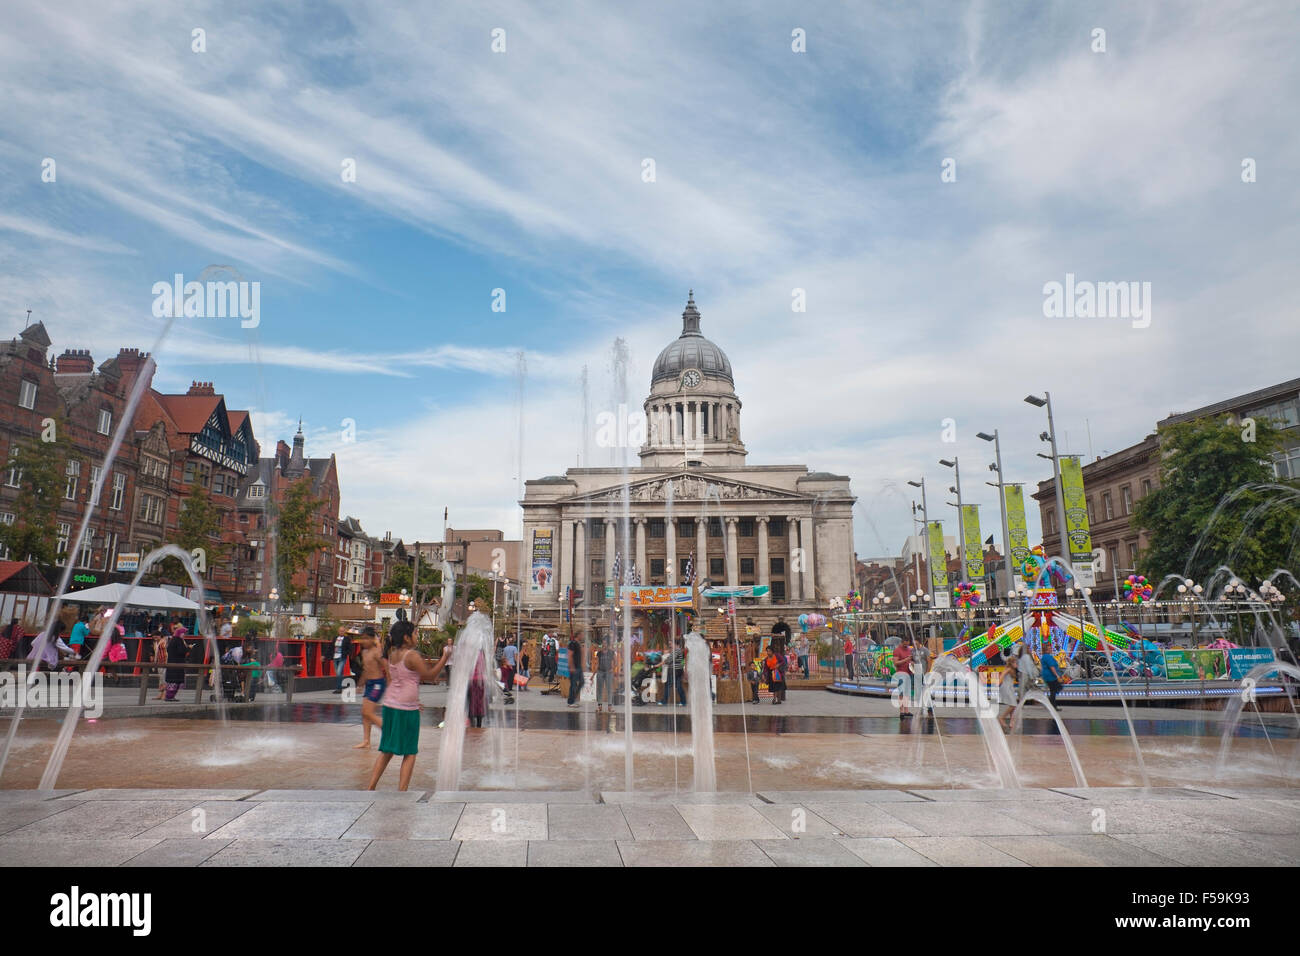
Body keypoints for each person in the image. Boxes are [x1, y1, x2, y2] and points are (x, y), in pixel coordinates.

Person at [367, 620, 452, 791]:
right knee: (410, 752)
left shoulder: (393, 653)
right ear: (406, 637)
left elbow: (401, 680)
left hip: (390, 705)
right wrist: (445, 657)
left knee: (387, 750)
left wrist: (413, 700)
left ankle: (370, 788)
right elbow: (429, 676)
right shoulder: (411, 656)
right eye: (414, 633)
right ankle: (402, 790)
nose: (416, 636)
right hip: (405, 710)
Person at [354, 627, 387, 749]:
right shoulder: (364, 652)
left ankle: (387, 730)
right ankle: (366, 741)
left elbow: (386, 666)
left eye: (367, 638)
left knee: (368, 712)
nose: (364, 641)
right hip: (369, 684)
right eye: (362, 638)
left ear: (373, 639)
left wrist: (391, 682)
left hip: (378, 684)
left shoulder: (376, 652)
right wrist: (360, 684)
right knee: (364, 713)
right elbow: (366, 670)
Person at [163, 625, 193, 701]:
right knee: (174, 681)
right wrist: (188, 648)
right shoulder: (178, 640)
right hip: (176, 664)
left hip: (172, 664)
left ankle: (170, 696)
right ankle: (169, 697)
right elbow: (181, 651)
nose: (185, 635)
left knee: (172, 681)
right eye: (184, 633)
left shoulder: (173, 640)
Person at [997, 656, 1020, 733]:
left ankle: (1011, 723)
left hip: (1010, 688)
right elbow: (1002, 675)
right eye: (1015, 663)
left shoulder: (1013, 670)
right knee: (1013, 705)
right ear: (1011, 663)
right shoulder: (1009, 669)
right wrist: (999, 683)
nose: (1017, 664)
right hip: (1006, 688)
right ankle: (1002, 718)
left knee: (1012, 705)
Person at [661, 638, 686, 706]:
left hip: (674, 671)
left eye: (671, 644)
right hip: (677, 671)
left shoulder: (676, 651)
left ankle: (665, 701)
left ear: (675, 644)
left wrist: (662, 662)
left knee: (668, 686)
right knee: (678, 686)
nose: (670, 645)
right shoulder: (677, 650)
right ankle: (683, 701)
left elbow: (669, 660)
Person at [894, 638, 914, 717]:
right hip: (901, 674)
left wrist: (911, 663)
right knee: (901, 693)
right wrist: (906, 659)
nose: (906, 646)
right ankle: (901, 711)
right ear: (902, 642)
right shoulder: (897, 650)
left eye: (907, 644)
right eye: (905, 644)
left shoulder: (909, 650)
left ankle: (906, 710)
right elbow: (896, 663)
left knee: (907, 693)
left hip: (908, 673)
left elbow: (911, 660)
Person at [331, 626, 353, 693]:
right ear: (338, 631)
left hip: (342, 657)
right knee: (338, 673)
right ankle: (340, 686)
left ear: (344, 632)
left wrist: (347, 654)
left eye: (343, 631)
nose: (341, 632)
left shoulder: (347, 639)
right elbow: (331, 647)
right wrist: (325, 655)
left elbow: (350, 648)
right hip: (335, 657)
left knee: (339, 672)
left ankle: (338, 688)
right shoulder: (335, 638)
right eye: (340, 631)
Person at [594, 637, 614, 712]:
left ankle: (610, 706)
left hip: (608, 672)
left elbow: (614, 661)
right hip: (600, 671)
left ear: (608, 644)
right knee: (599, 689)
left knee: (609, 689)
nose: (604, 644)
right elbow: (597, 663)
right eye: (603, 643)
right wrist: (593, 674)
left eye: (605, 643)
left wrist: (613, 669)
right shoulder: (599, 653)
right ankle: (599, 706)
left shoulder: (611, 652)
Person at [567, 633, 585, 707]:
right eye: (582, 635)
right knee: (573, 685)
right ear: (578, 635)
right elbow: (570, 655)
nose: (583, 636)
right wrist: (571, 666)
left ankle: (574, 698)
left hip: (579, 667)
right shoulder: (573, 643)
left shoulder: (578, 644)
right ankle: (571, 702)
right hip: (574, 667)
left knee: (582, 682)